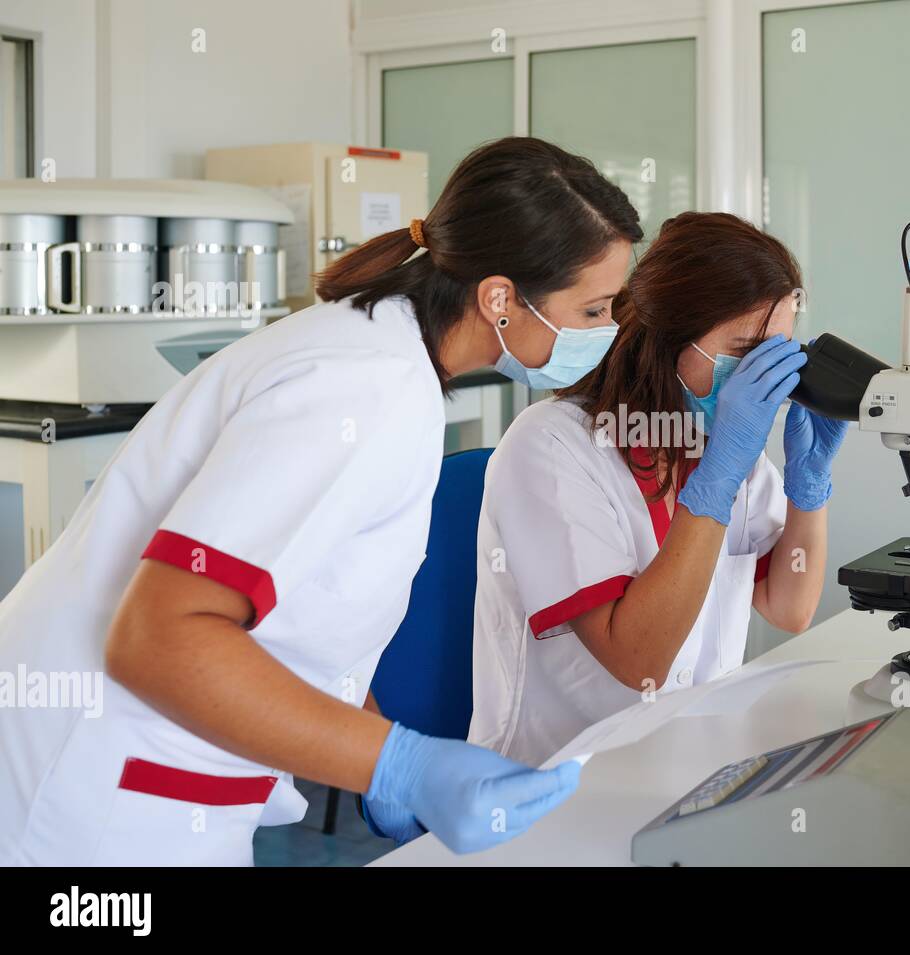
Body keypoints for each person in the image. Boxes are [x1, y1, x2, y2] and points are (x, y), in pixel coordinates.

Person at [0, 137, 642, 864]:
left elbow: (302, 602)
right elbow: (160, 636)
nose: (607, 332)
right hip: (89, 797)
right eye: (593, 310)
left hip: (129, 763)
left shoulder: (374, 350)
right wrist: (397, 763)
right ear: (500, 298)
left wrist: (369, 739)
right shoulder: (367, 386)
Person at [469, 212, 848, 766]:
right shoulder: (552, 447)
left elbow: (790, 607)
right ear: (667, 339)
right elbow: (639, 662)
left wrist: (807, 490)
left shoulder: (718, 443)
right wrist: (714, 487)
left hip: (691, 758)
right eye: (745, 354)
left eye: (779, 356)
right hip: (562, 780)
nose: (763, 381)